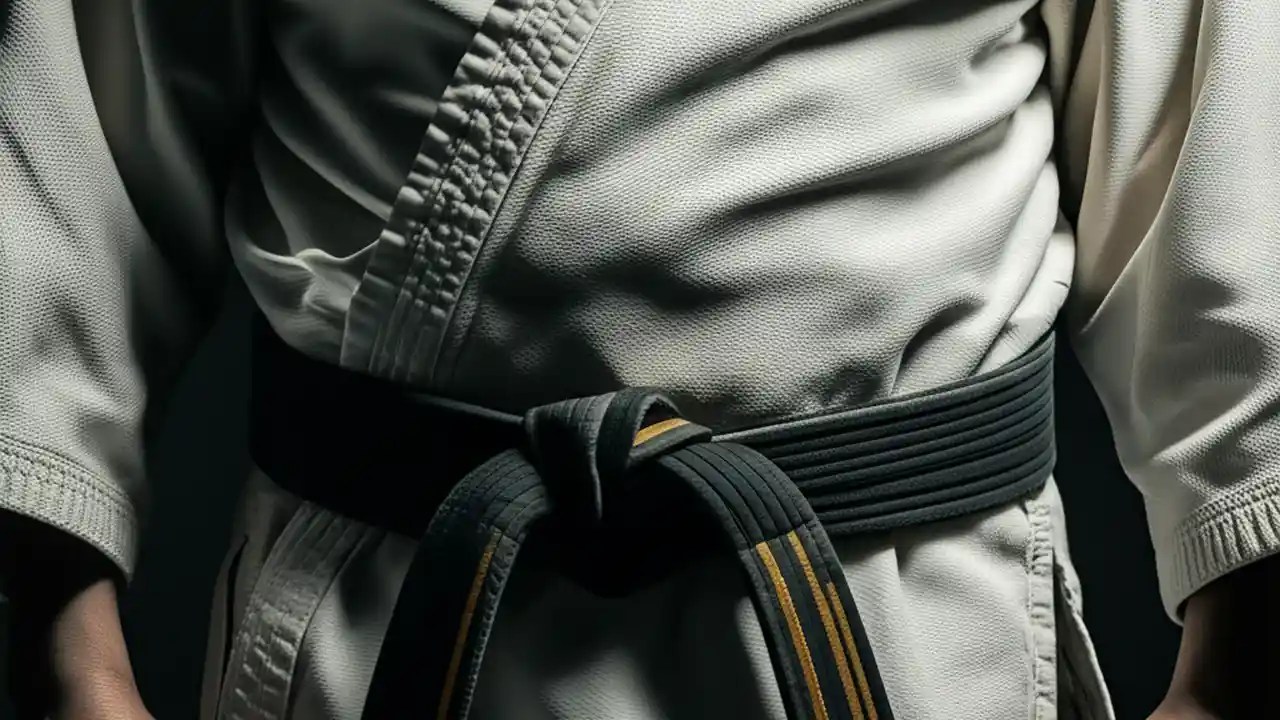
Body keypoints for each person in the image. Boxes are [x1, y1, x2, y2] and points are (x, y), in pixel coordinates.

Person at [1, 0, 1277, 717]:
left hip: (905, 638)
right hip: (392, 637)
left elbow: (1219, 179)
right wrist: (76, 677)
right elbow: (69, 183)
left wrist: (1228, 683)